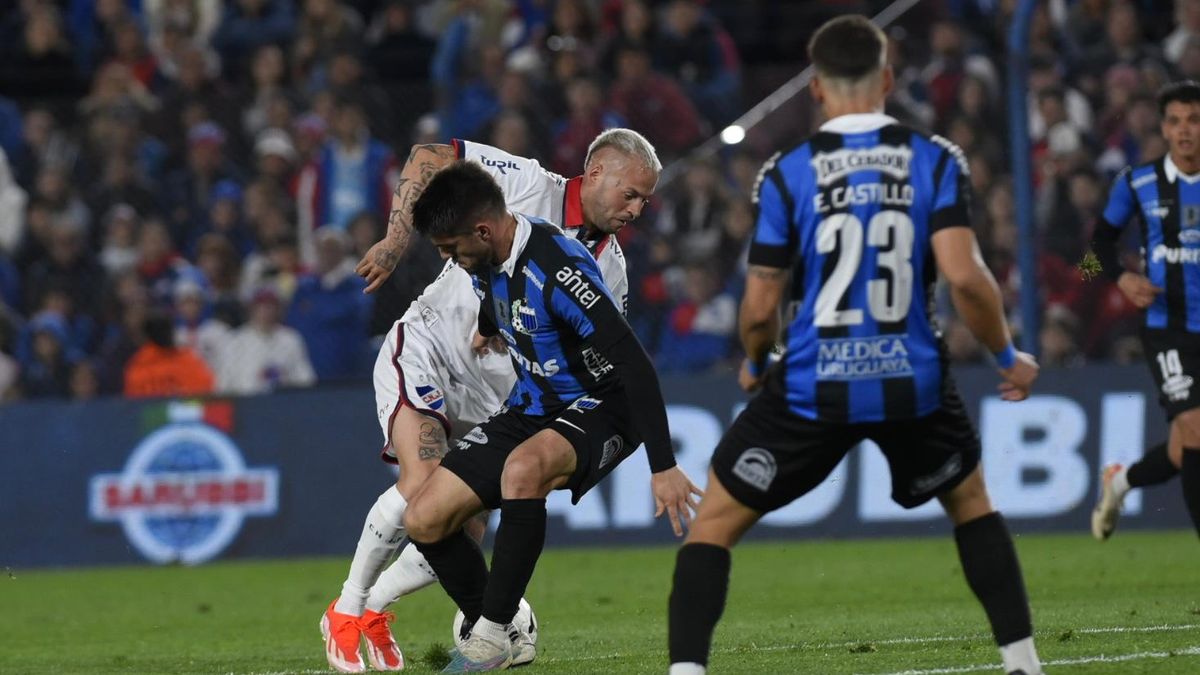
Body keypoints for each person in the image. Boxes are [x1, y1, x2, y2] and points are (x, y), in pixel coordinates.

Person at [666, 16, 1044, 675]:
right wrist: (1007, 356)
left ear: (816, 89)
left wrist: (756, 361)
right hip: (914, 380)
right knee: (972, 504)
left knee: (714, 525)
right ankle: (1022, 661)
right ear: (888, 79)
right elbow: (965, 278)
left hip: (814, 382)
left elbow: (760, 303)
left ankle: (686, 671)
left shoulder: (786, 174)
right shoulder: (935, 158)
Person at [320, 128, 670, 673]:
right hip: (431, 349)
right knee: (421, 485)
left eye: (646, 200)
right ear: (596, 173)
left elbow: (603, 349)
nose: (638, 209)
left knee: (457, 530)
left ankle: (430, 614)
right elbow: (429, 154)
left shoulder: (610, 267)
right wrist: (395, 241)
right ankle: (349, 609)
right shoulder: (528, 184)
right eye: (631, 194)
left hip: (501, 394)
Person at [400, 161, 698, 672]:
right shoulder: (484, 260)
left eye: (451, 249)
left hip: (603, 403)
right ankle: (503, 629)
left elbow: (633, 363)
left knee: (522, 470)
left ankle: (488, 639)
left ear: (483, 230)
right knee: (423, 518)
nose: (450, 261)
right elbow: (497, 297)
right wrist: (489, 324)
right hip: (534, 405)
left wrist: (663, 465)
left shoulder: (559, 266)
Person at [1091, 80, 1200, 541]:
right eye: (1175, 121)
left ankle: (1120, 482)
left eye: (1194, 120)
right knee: (1196, 431)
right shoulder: (1137, 183)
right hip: (1168, 328)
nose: (1185, 131)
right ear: (1163, 128)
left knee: (1182, 451)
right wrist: (1120, 276)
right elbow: (1090, 254)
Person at [123, 311, 215, 399]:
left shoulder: (138, 364)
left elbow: (205, 391)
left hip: (174, 413)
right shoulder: (140, 364)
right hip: (161, 413)